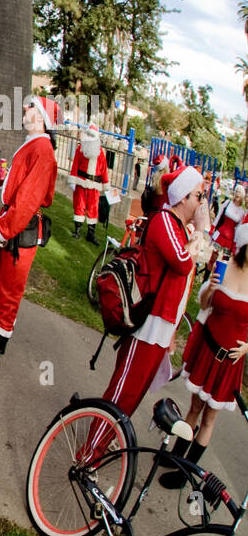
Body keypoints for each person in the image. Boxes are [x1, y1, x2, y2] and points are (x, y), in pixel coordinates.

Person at [85, 166, 205, 462]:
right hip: (147, 326)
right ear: (183, 197)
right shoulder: (164, 220)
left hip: (160, 329)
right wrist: (200, 233)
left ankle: (104, 442)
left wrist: (174, 331)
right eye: (199, 196)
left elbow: (183, 283)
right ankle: (88, 454)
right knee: (121, 393)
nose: (202, 203)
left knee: (133, 396)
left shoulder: (179, 227)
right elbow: (182, 263)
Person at [0, 96, 60, 370]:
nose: (25, 110)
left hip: (20, 229)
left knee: (9, 291)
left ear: (40, 118)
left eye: (30, 107)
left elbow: (29, 200)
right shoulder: (38, 145)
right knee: (6, 286)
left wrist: (4, 228)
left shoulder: (42, 149)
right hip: (17, 227)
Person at [164, 222, 248, 489]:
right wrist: (211, 287)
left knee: (209, 419)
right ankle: (175, 458)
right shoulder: (226, 266)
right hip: (208, 348)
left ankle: (185, 473)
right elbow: (204, 305)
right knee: (194, 409)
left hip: (229, 361)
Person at [69, 123, 108, 244]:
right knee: (79, 206)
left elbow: (104, 170)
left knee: (93, 209)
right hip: (81, 182)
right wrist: (72, 180)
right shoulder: (80, 149)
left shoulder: (101, 152)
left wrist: (106, 185)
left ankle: (91, 234)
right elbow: (75, 164)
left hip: (94, 185)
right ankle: (77, 230)